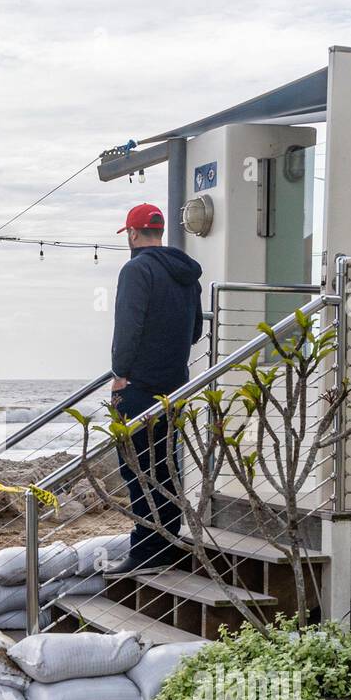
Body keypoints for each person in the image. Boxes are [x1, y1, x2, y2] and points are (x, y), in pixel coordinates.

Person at [109, 203, 205, 572]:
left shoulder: (136, 270)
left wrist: (120, 372)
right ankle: (166, 542)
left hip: (139, 385)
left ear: (132, 234)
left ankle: (145, 549)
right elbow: (196, 330)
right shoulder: (187, 275)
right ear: (160, 232)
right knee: (164, 465)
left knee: (136, 468)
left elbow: (127, 327)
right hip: (174, 384)